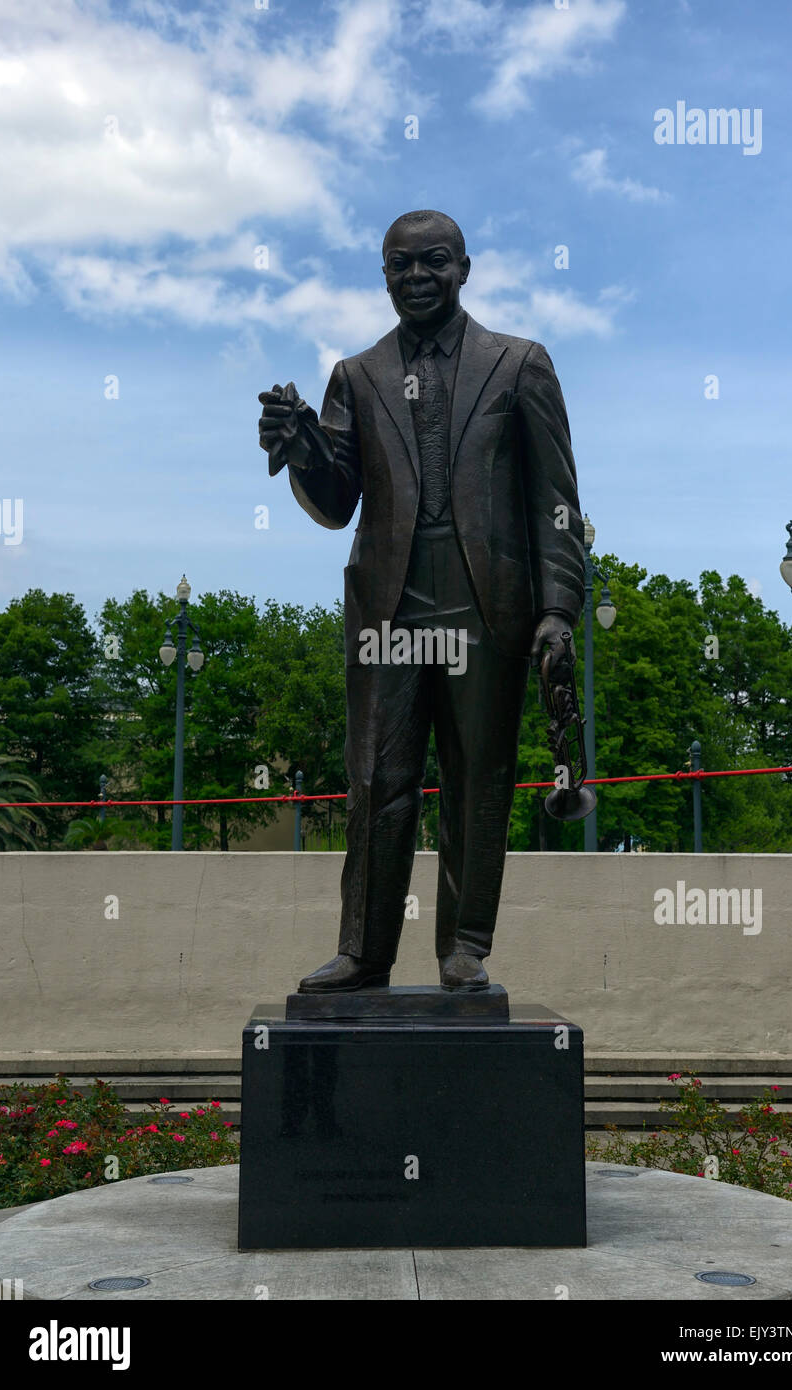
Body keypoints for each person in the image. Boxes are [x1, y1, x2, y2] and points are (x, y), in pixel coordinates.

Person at [259, 210, 584, 992]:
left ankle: (464, 946)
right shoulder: (356, 377)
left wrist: (557, 609)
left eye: (431, 262)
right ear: (381, 276)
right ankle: (364, 951)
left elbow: (556, 502)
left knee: (479, 777)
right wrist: (302, 443)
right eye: (398, 266)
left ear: (464, 267)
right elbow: (335, 503)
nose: (415, 278)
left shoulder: (519, 364)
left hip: (485, 605)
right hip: (389, 607)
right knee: (378, 776)